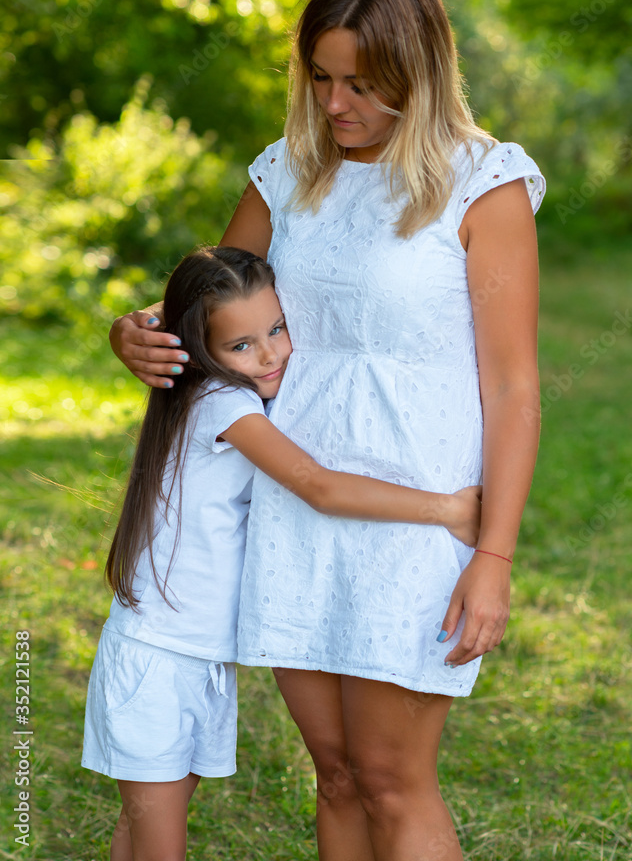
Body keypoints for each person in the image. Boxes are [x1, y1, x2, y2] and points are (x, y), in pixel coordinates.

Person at [110, 0, 545, 860]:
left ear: (417, 77)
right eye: (319, 77)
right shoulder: (288, 171)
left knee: (392, 780)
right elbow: (206, 308)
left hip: (420, 513)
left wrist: (493, 553)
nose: (335, 103)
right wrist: (135, 332)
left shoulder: (482, 184)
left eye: (362, 84)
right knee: (338, 775)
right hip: (293, 504)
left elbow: (511, 384)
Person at [89, 243, 482, 861]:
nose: (269, 353)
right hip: (159, 662)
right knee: (155, 842)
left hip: (194, 658)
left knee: (140, 832)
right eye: (241, 345)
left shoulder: (230, 397)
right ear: (198, 352)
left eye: (276, 329)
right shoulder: (221, 404)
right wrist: (447, 508)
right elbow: (317, 485)